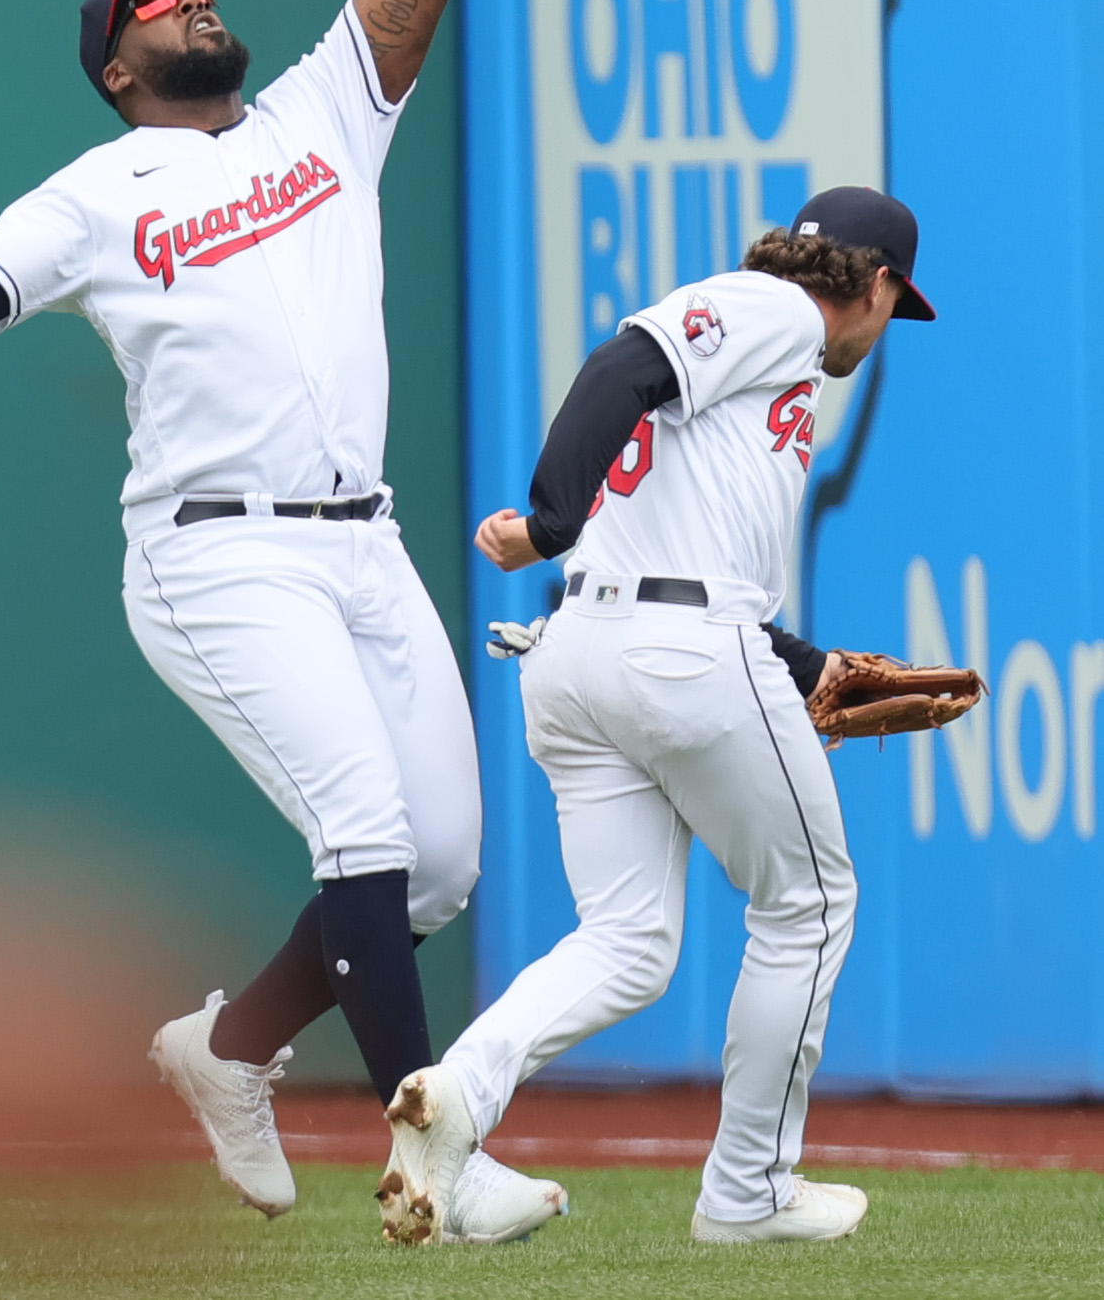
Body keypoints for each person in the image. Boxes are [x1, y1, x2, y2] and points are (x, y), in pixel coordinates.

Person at [0, 0, 563, 1245]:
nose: (192, 3)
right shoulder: (100, 185)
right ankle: (438, 1157)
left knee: (437, 860)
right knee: (365, 834)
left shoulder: (321, 108)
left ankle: (229, 1046)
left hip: (359, 542)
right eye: (160, 2)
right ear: (118, 63)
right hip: (215, 555)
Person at [376, 189, 935, 1247]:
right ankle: (749, 1189)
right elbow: (618, 366)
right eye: (892, 307)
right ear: (876, 284)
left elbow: (694, 552)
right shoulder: (781, 313)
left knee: (629, 941)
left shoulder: (759, 363)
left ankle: (456, 1096)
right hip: (674, 649)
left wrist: (808, 664)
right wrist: (551, 516)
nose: (879, 330)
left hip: (585, 651)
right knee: (811, 902)